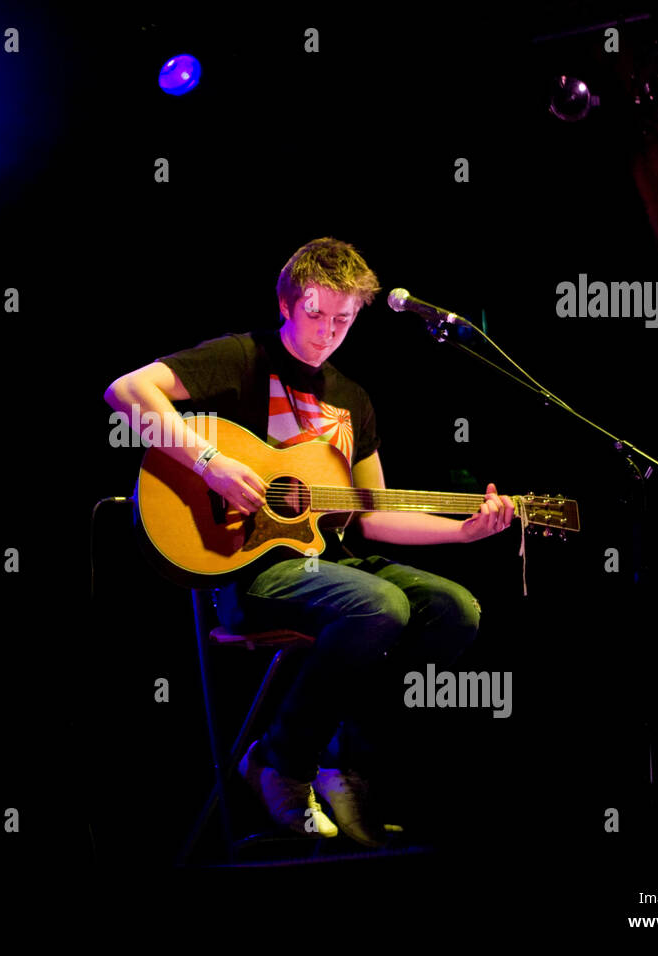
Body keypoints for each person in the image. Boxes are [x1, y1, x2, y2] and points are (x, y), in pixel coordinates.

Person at [103, 237, 515, 846]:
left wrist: (463, 530)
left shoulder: (354, 400)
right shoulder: (243, 358)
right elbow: (125, 392)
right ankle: (280, 761)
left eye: (343, 319)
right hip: (255, 570)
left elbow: (371, 516)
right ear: (288, 303)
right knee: (381, 605)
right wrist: (211, 461)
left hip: (336, 564)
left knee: (456, 610)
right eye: (315, 313)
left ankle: (344, 758)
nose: (327, 331)